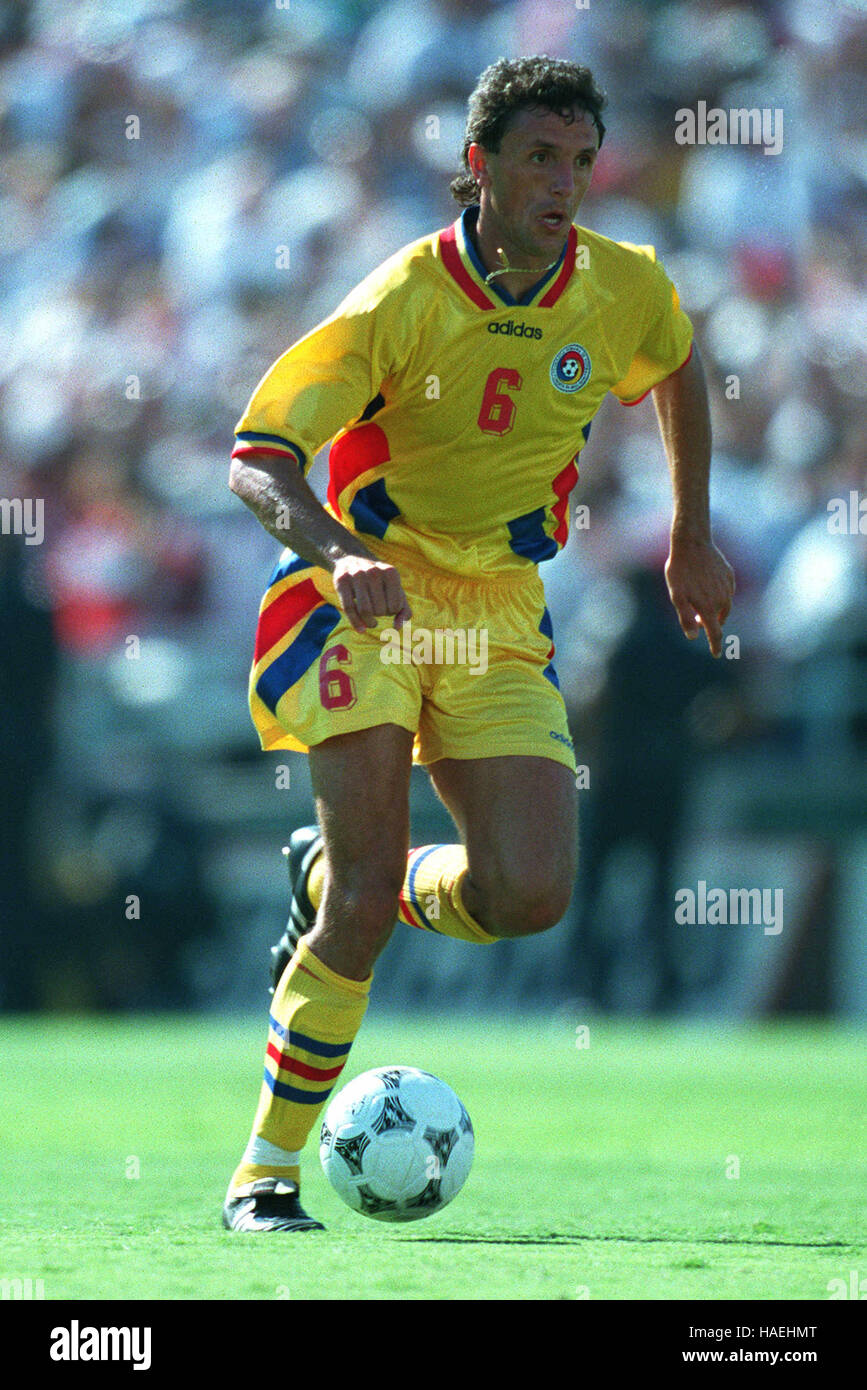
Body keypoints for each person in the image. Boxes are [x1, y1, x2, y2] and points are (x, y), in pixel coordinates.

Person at [222, 55, 735, 1232]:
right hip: (370, 597)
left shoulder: (622, 286)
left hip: (501, 608)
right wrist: (334, 552)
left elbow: (677, 366)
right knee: (359, 905)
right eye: (540, 158)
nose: (566, 184)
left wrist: (689, 536)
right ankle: (264, 1175)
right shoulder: (400, 295)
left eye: (580, 161)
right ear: (480, 167)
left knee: (528, 892)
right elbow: (258, 457)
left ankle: (334, 874)